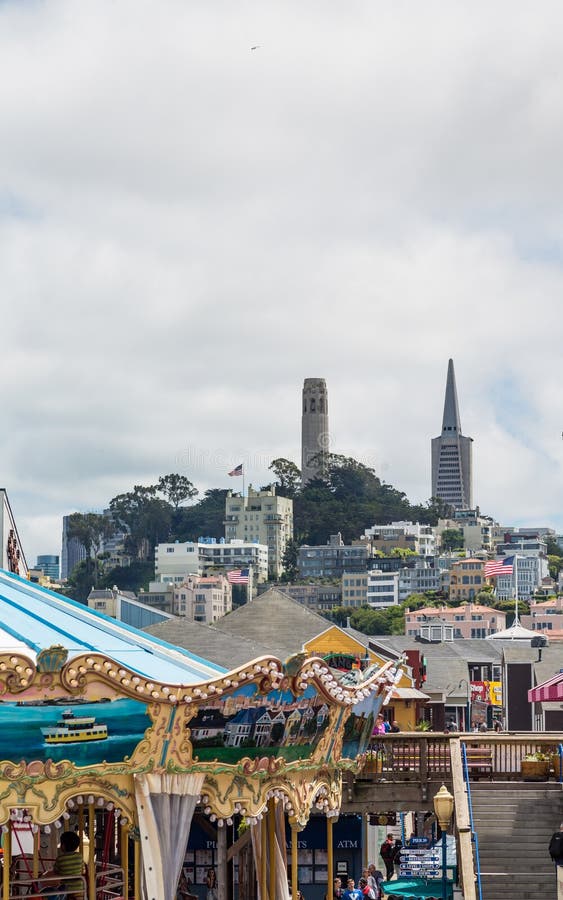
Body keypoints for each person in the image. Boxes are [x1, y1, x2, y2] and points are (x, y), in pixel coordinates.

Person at [41, 830, 85, 900]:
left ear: (63, 846)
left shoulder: (60, 858)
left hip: (66, 890)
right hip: (79, 889)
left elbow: (56, 871)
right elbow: (83, 870)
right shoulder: (79, 856)